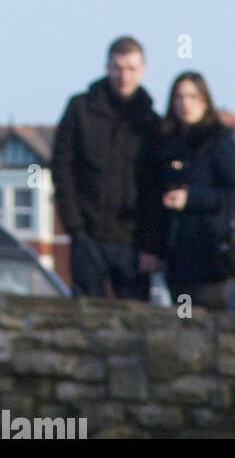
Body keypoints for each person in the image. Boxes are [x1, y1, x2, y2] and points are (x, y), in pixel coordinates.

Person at [51, 36, 157, 300]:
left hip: (132, 244)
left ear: (142, 70)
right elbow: (61, 168)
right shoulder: (80, 109)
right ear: (107, 67)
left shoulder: (152, 123)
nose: (124, 76)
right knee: (85, 323)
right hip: (88, 237)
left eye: (131, 69)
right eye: (118, 68)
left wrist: (151, 246)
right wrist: (75, 227)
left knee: (135, 327)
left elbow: (156, 188)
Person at [137, 72, 235, 312]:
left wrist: (191, 199)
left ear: (204, 100)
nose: (185, 103)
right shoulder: (165, 143)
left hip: (212, 258)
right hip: (177, 259)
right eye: (179, 97)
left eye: (192, 96)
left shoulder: (219, 142)